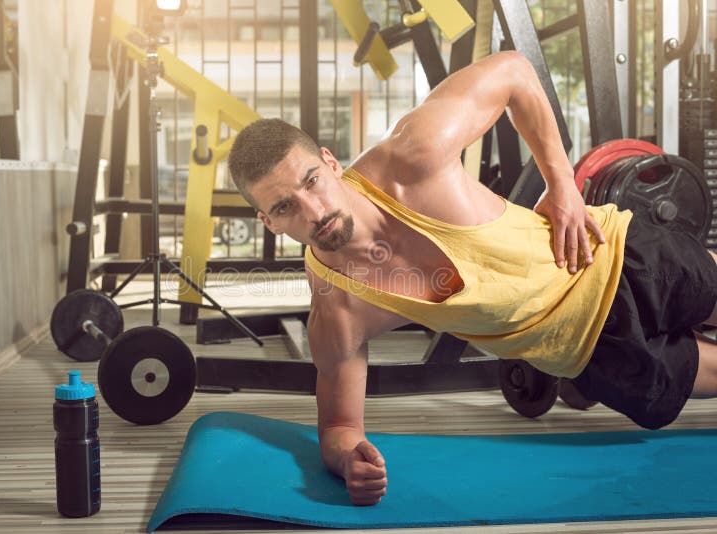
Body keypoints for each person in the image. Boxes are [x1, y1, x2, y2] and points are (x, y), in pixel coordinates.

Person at [227, 51, 717, 506]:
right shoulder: (338, 310)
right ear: (270, 222)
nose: (314, 210)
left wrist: (562, 182)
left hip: (614, 257)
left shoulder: (412, 158)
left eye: (312, 180)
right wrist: (348, 459)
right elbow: (338, 423)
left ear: (331, 163)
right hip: (590, 353)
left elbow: (513, 71)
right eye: (285, 206)